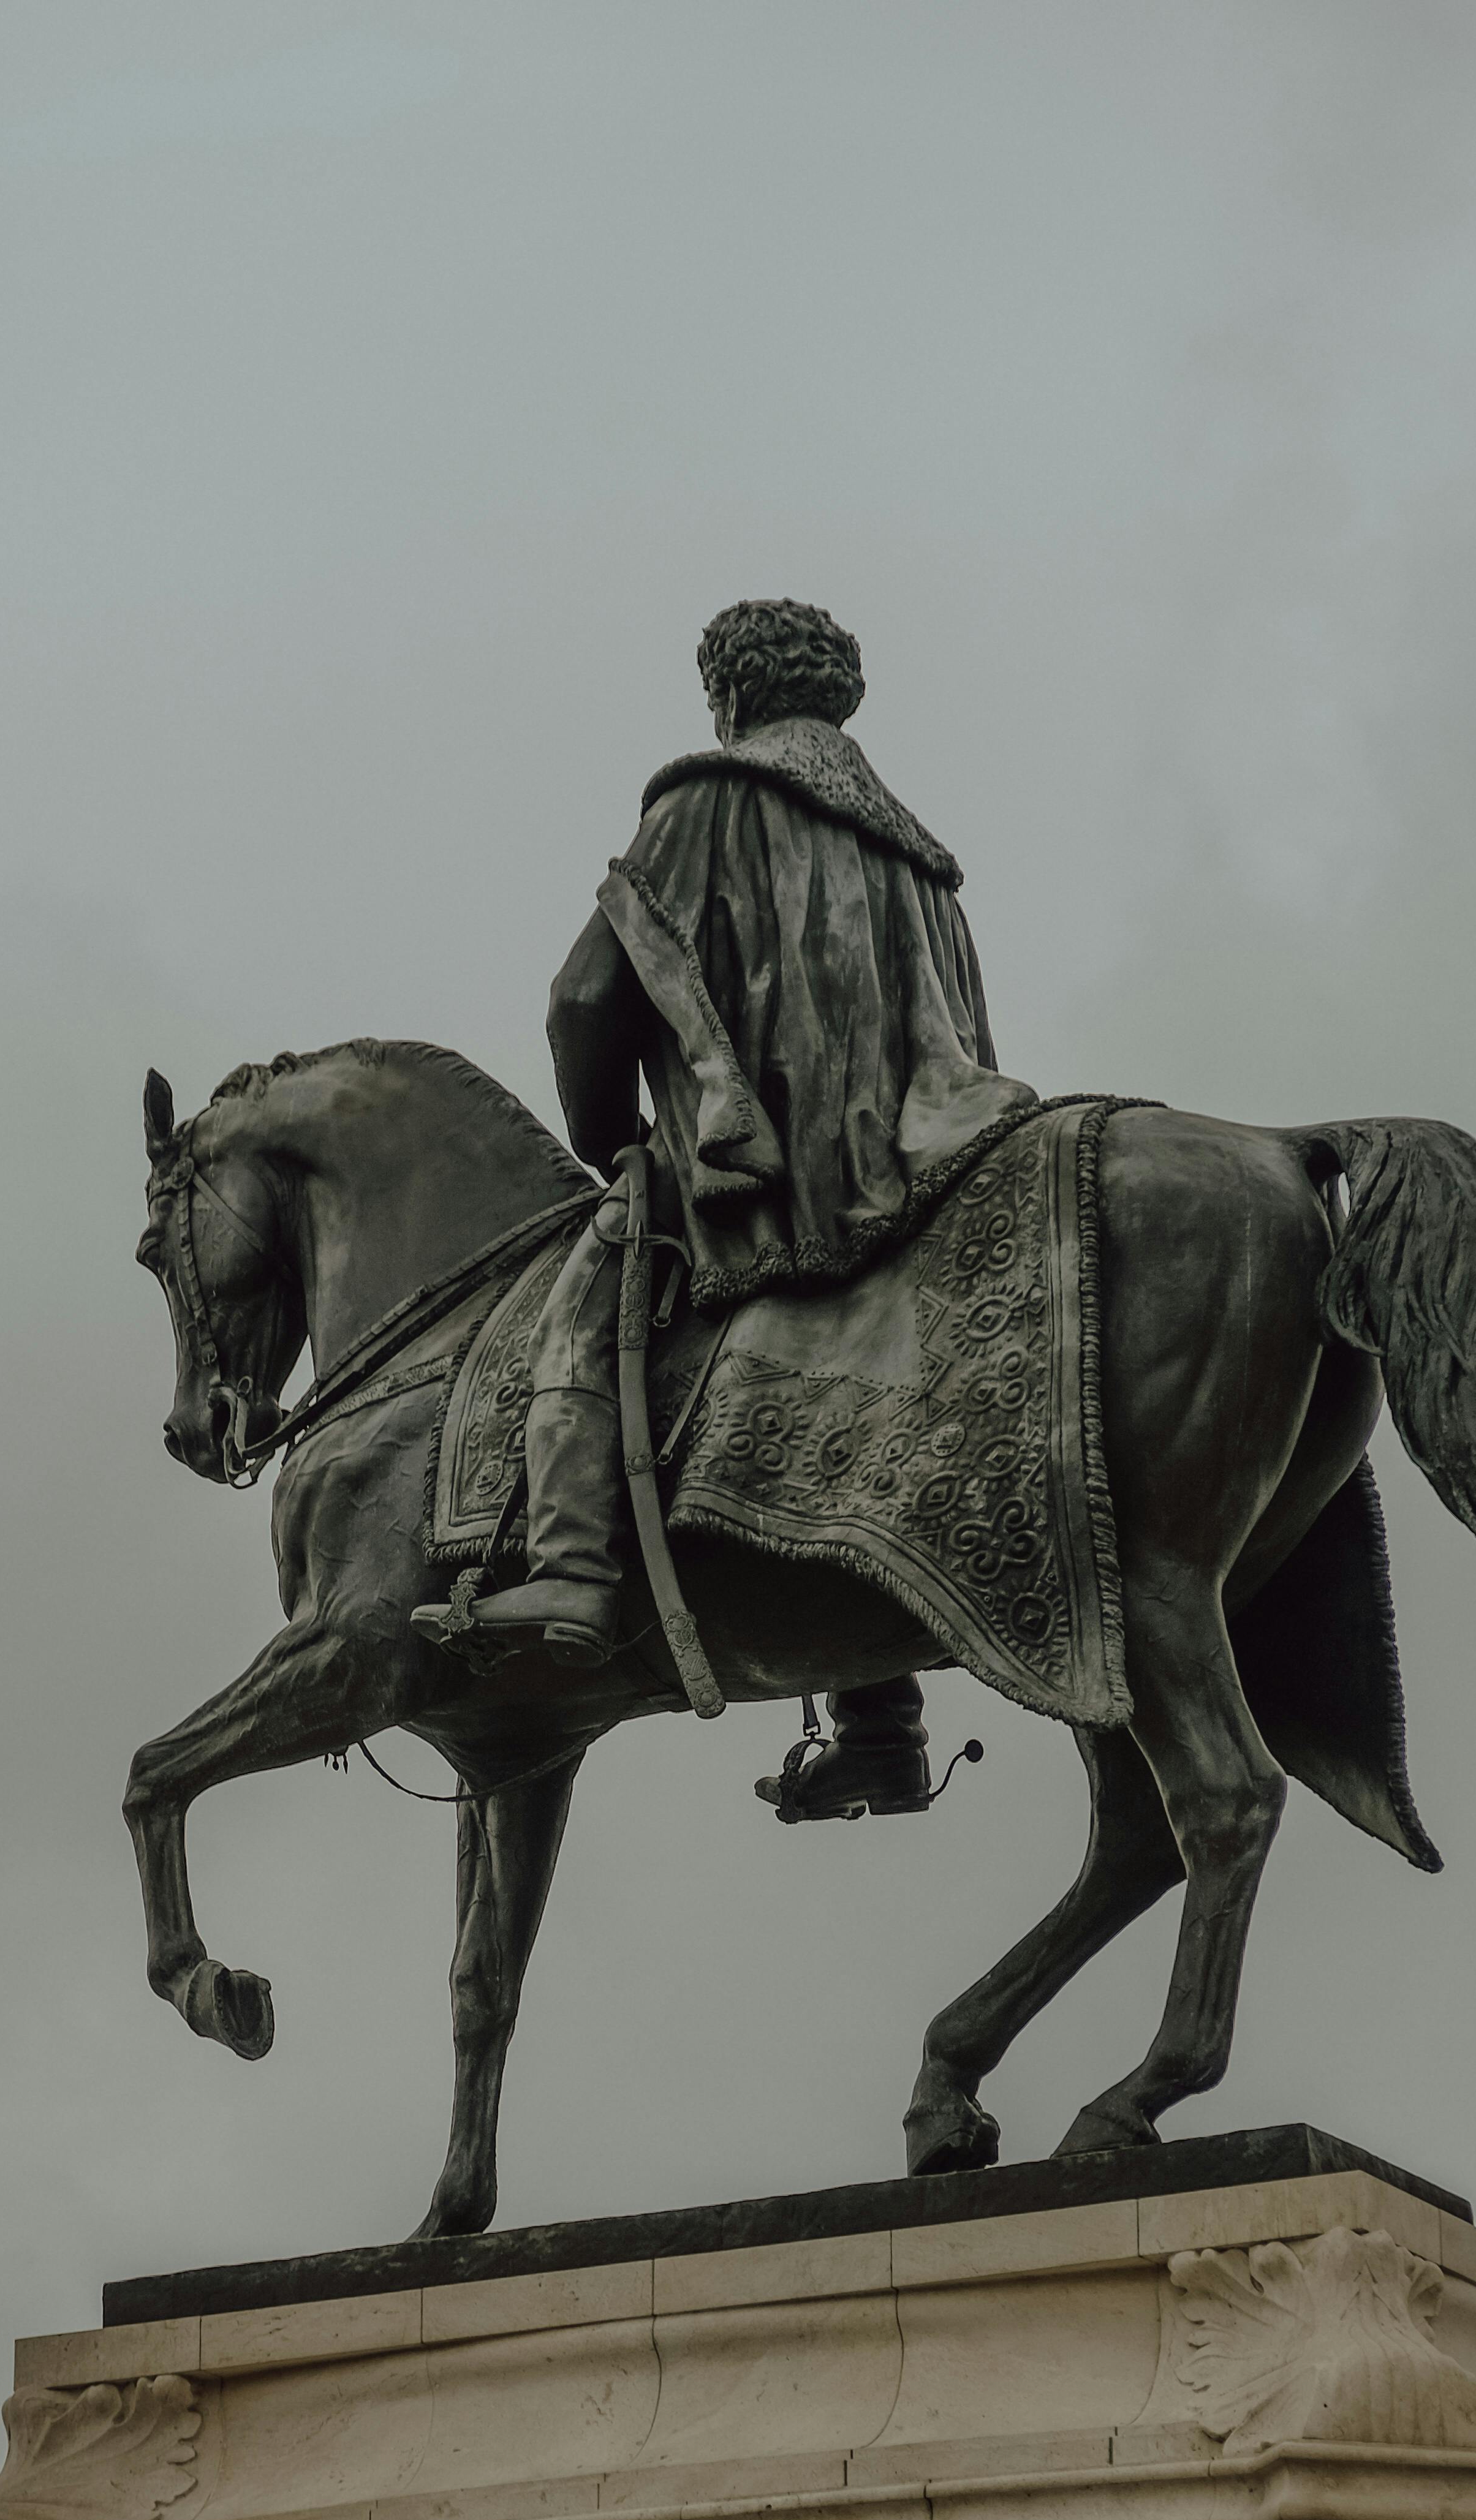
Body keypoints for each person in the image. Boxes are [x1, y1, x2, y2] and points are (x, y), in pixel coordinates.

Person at [414, 598, 1030, 1825]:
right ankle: (882, 1720)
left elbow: (584, 999)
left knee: (588, 1287)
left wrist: (606, 1147)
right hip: (940, 1157)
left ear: (731, 696)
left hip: (780, 1170)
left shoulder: (702, 801)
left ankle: (573, 1575)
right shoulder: (919, 851)